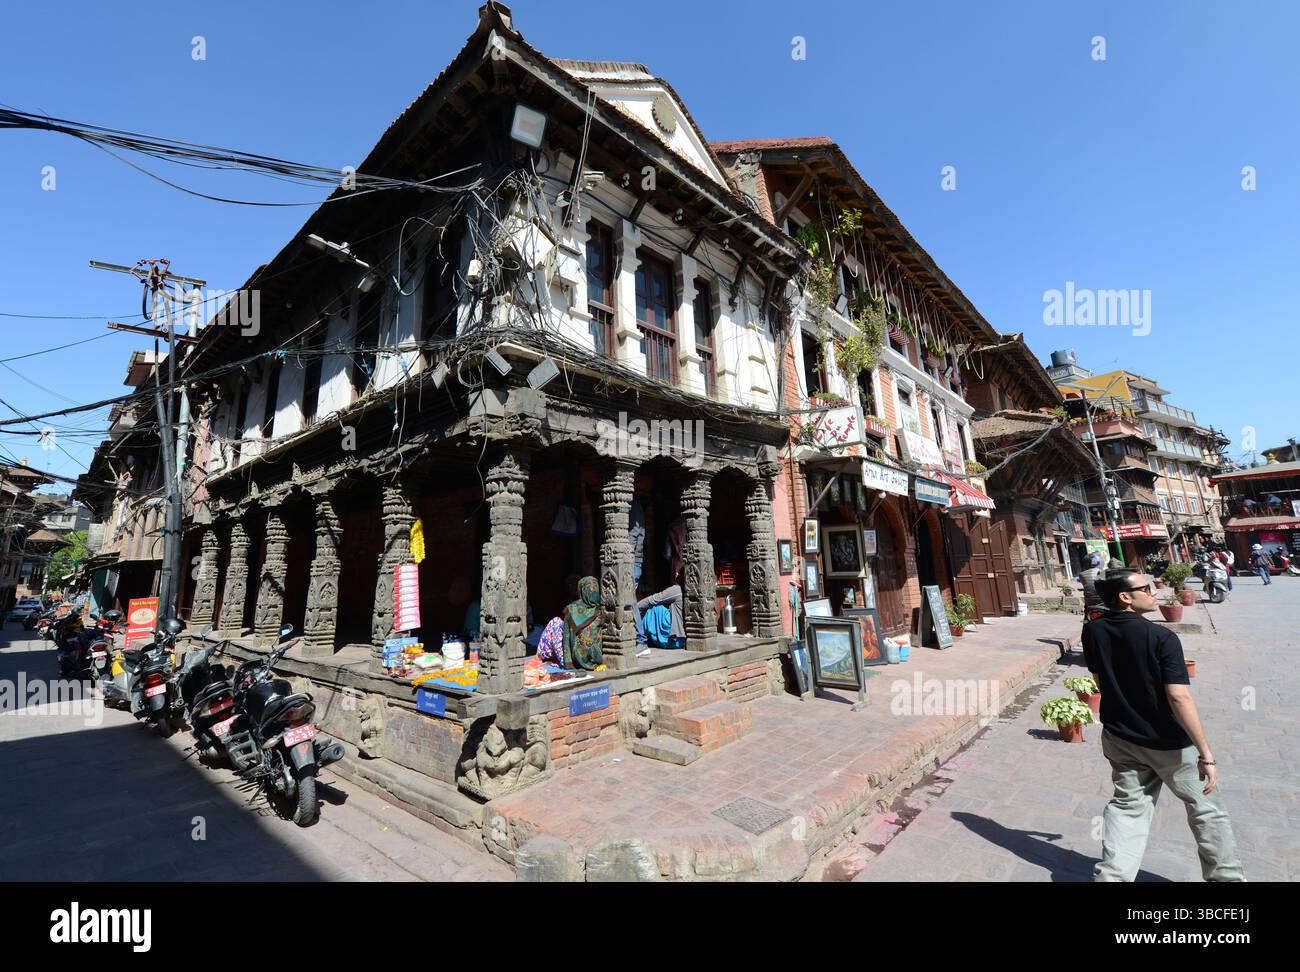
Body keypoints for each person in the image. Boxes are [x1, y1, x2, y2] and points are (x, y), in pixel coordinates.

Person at [1083, 570, 1244, 882]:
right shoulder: (1162, 638)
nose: (1155, 591)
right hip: (1168, 742)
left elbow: (1100, 681)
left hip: (1119, 735)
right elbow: (1179, 697)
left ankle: (1111, 879)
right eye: (1147, 587)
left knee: (1127, 808)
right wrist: (1206, 754)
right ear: (1125, 597)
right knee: (1207, 810)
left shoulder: (1094, 630)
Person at [562, 576, 604, 670]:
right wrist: (568, 662)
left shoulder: (600, 610)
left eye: (595, 588)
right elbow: (566, 636)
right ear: (583, 591)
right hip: (578, 659)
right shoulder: (572, 609)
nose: (594, 592)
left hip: (597, 658)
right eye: (590, 588)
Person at [635, 584, 686, 650]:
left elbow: (652, 600)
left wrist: (633, 608)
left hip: (672, 640)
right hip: (683, 641)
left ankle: (640, 640)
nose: (676, 574)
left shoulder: (678, 590)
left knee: (656, 609)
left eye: (678, 573)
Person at [1078, 552, 1106, 623]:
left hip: (1090, 604)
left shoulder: (1081, 574)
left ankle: (1085, 619)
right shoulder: (1103, 572)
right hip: (1104, 602)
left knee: (1086, 604)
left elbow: (1088, 584)